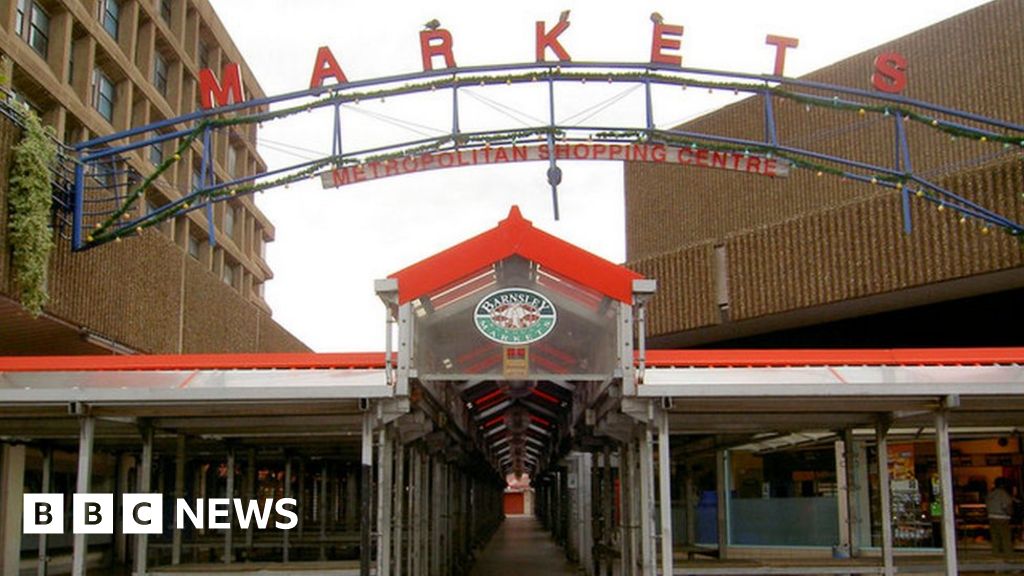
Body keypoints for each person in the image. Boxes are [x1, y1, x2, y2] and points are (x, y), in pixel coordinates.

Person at [986, 478, 1014, 556]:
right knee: (1005, 538)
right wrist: (1011, 514)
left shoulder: (990, 494)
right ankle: (1008, 555)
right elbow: (1007, 507)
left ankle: (996, 554)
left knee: (995, 538)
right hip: (1002, 518)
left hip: (991, 517)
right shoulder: (1004, 494)